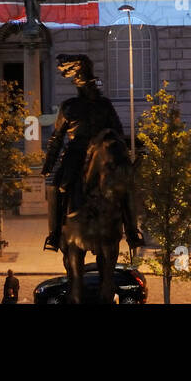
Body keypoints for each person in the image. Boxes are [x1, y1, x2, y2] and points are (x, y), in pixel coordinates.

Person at [41, 53, 142, 252]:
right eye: (85, 84)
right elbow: (56, 138)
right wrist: (49, 164)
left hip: (102, 155)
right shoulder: (69, 106)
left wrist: (119, 152)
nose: (89, 88)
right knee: (56, 186)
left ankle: (131, 230)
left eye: (90, 84)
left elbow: (118, 132)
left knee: (125, 188)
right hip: (75, 154)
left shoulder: (104, 105)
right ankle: (54, 234)